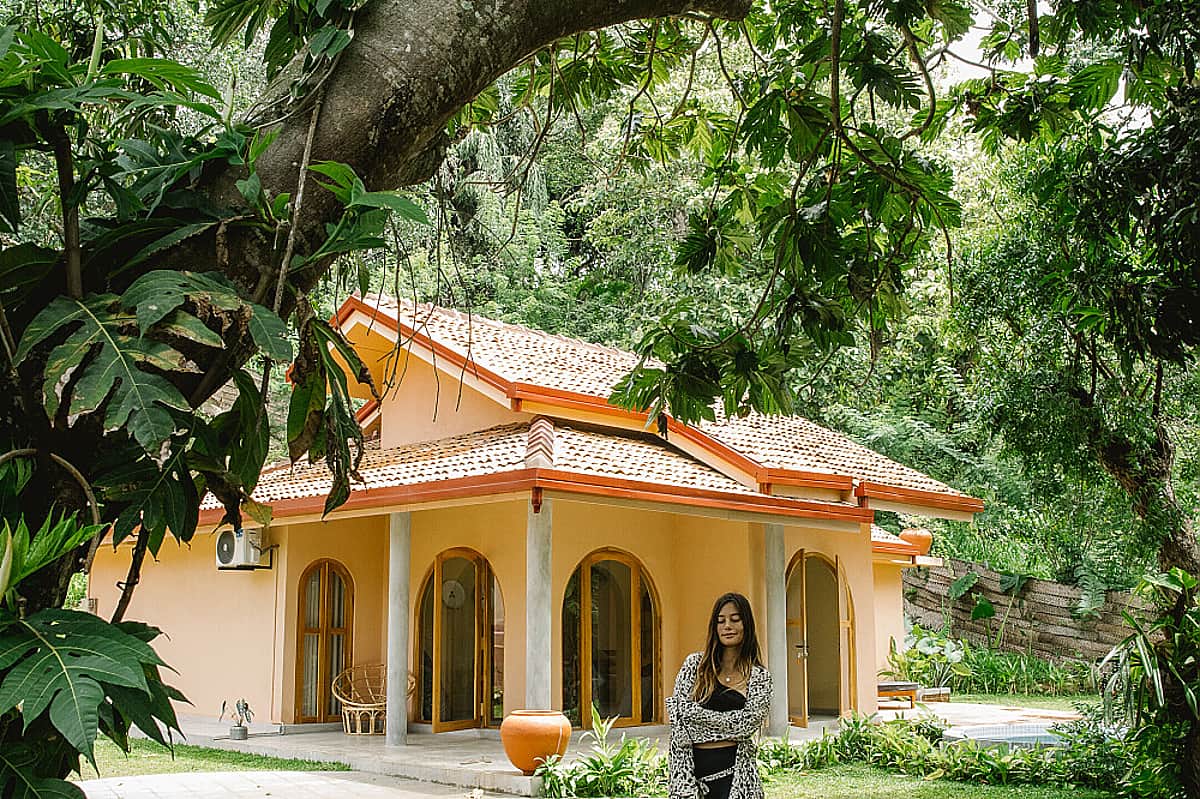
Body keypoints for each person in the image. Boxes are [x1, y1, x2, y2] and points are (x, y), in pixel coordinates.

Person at [666, 592, 771, 799]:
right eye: (720, 620)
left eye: (735, 619)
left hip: (736, 777)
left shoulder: (759, 676)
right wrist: (729, 725)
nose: (727, 626)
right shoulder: (694, 665)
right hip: (690, 776)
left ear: (746, 624)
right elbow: (677, 716)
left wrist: (695, 717)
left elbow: (747, 726)